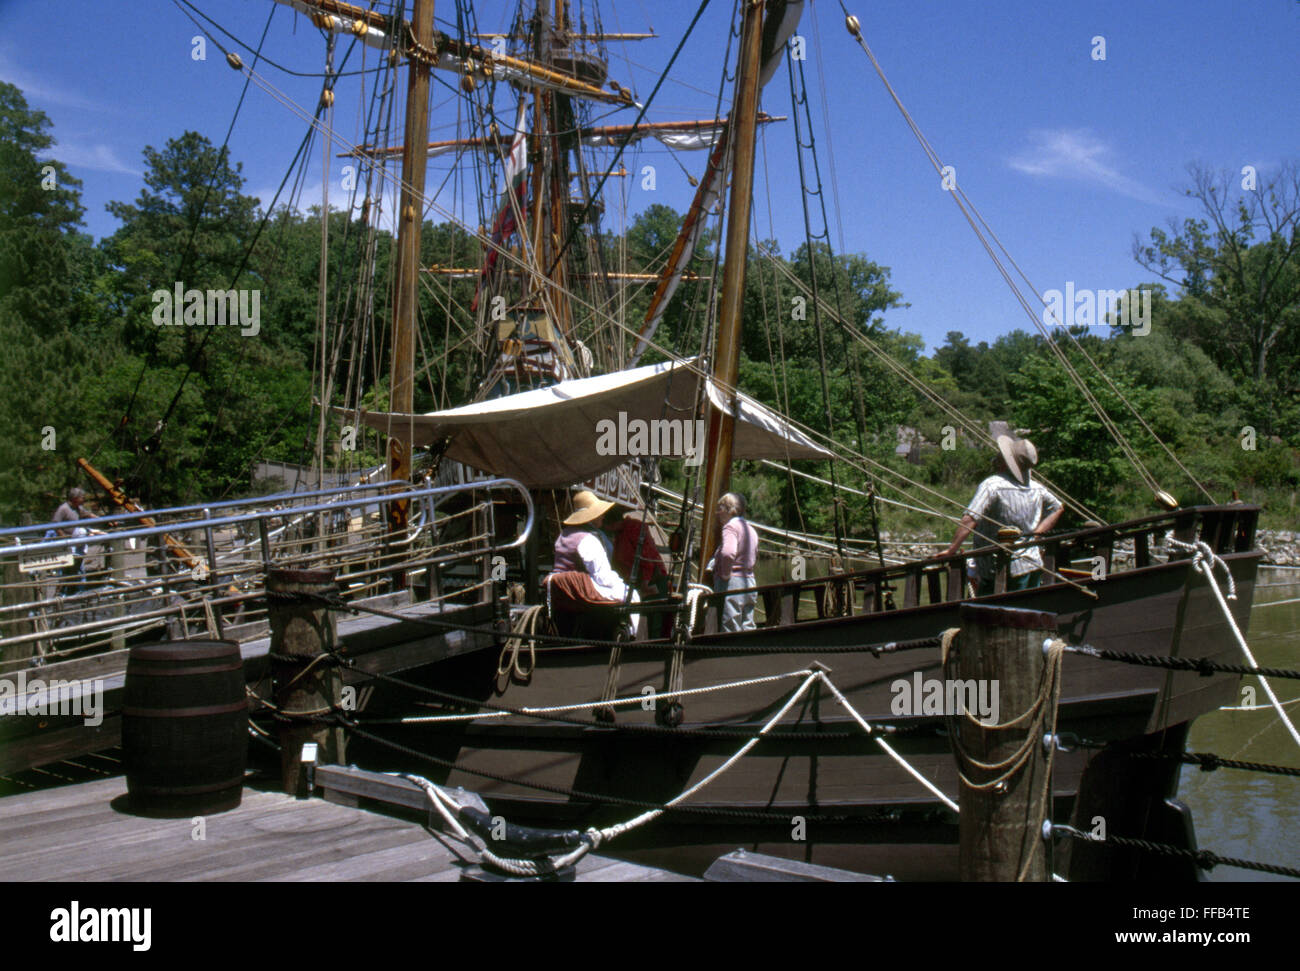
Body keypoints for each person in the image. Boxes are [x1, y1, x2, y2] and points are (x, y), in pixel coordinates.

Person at [942, 434, 1062, 595]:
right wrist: (1036, 535)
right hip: (1032, 563)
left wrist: (951, 549)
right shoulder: (1036, 488)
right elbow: (1058, 507)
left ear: (1005, 461)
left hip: (1002, 571)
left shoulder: (992, 485)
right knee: (1028, 611)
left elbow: (970, 518)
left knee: (995, 614)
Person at [549, 490, 640, 635]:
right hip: (580, 589)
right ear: (591, 516)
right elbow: (602, 576)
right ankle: (630, 636)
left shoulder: (564, 534)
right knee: (632, 595)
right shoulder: (588, 539)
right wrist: (622, 583)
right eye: (599, 513)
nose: (603, 516)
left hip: (561, 590)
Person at [708, 492, 759, 631]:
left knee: (730, 627)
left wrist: (725, 574)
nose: (718, 513)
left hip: (733, 584)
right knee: (748, 625)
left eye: (720, 508)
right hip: (749, 582)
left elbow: (728, 553)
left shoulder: (730, 527)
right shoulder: (751, 530)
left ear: (730, 510)